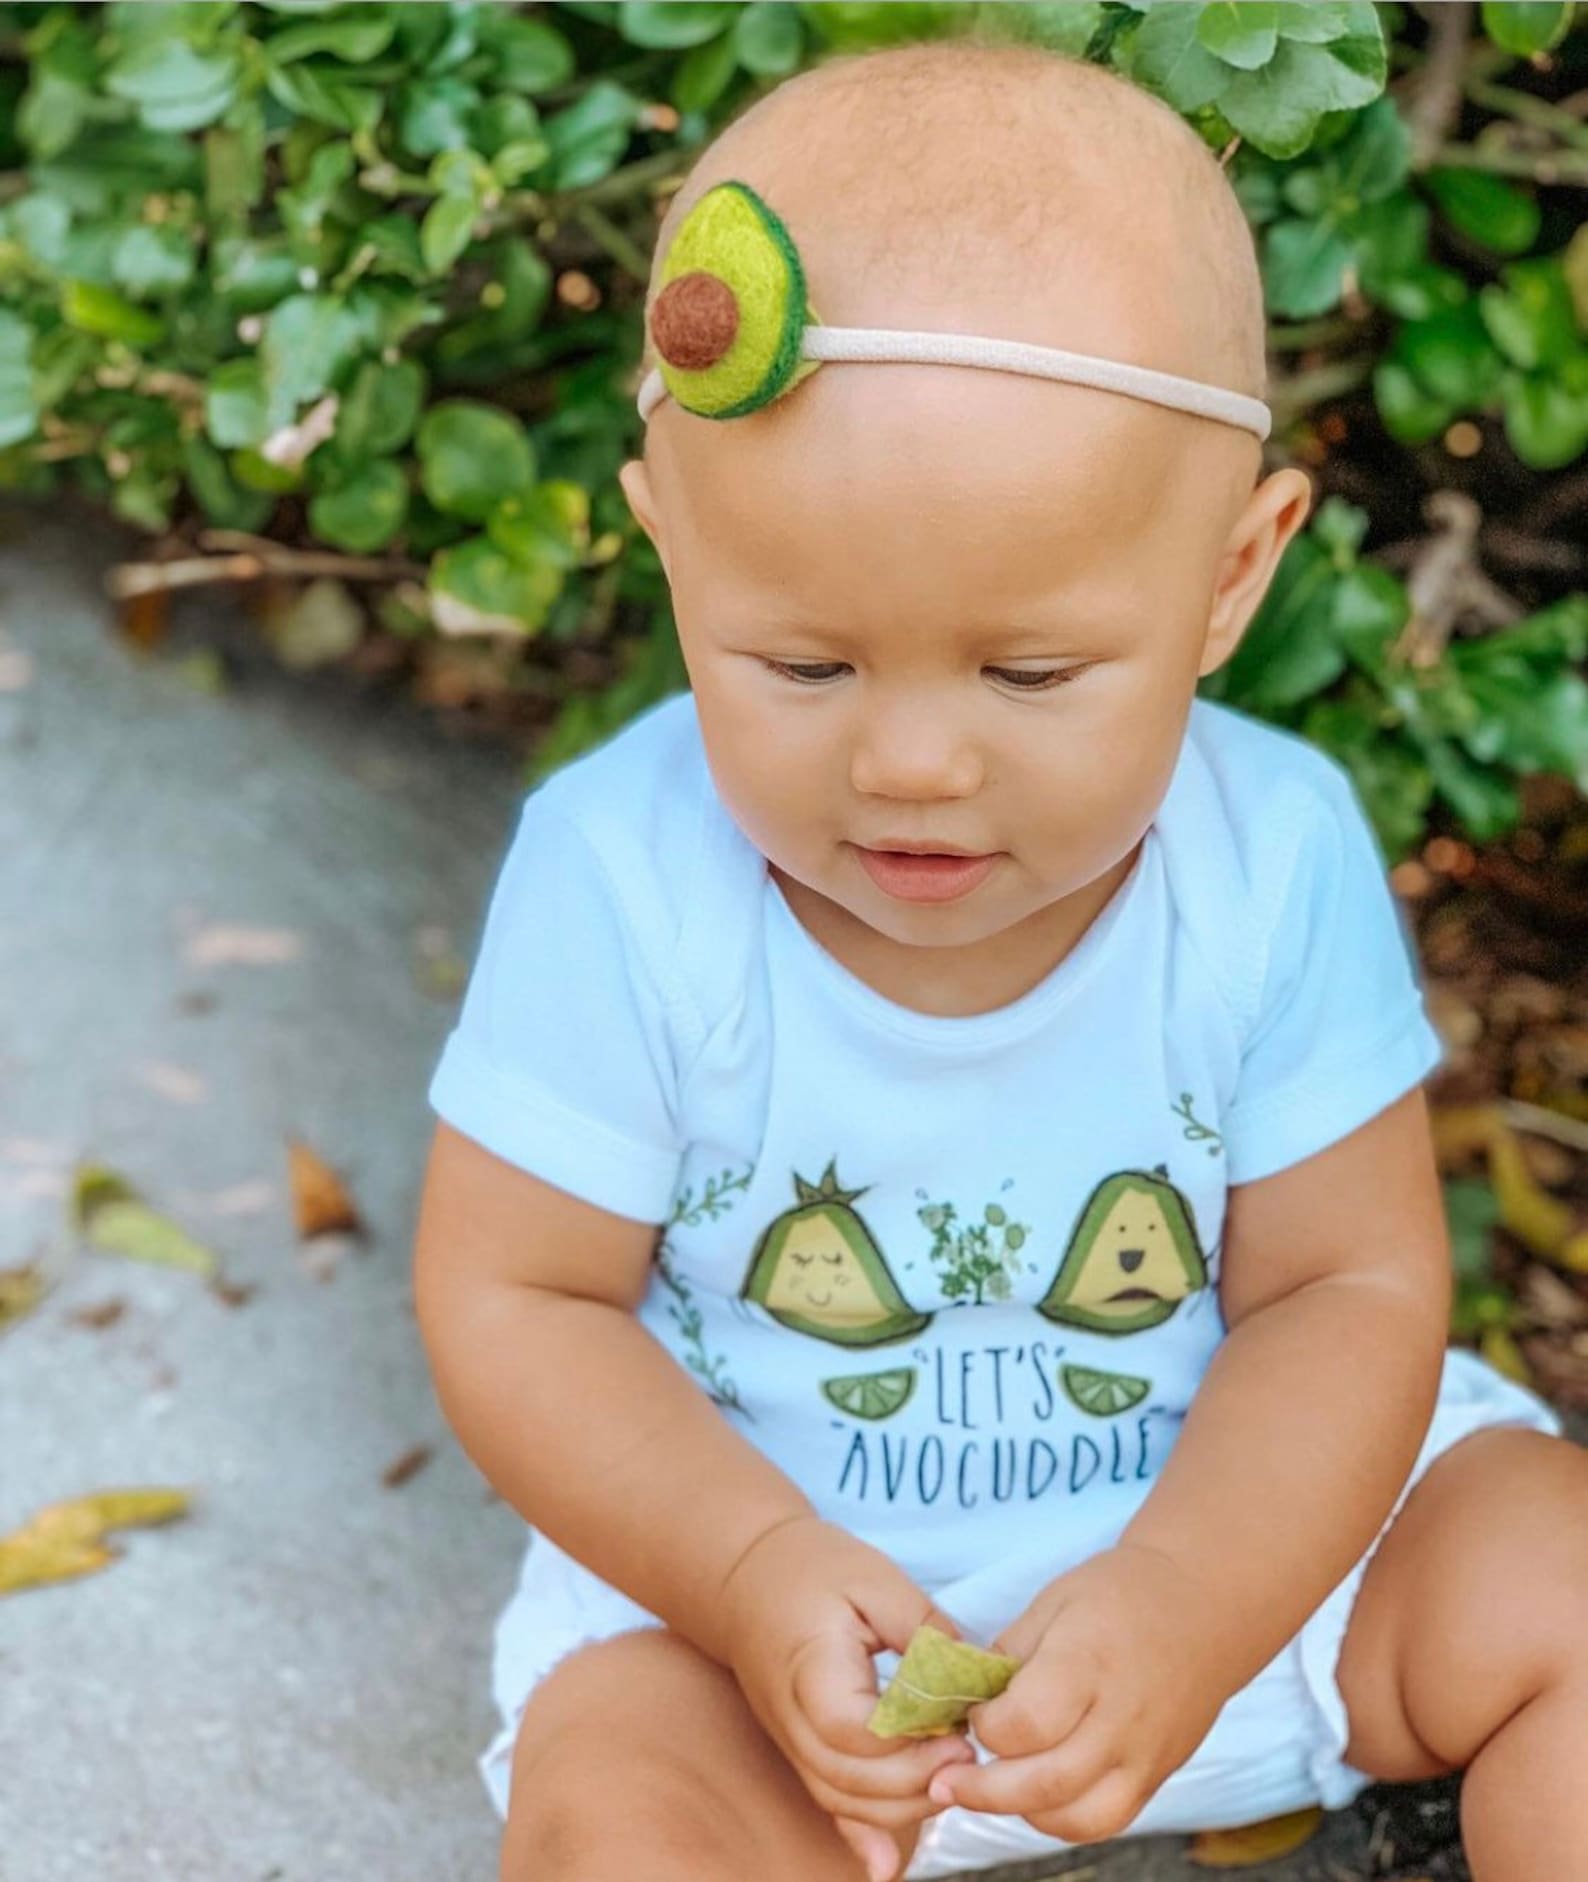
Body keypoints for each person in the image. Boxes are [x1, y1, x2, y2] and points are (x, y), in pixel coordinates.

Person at [412, 38, 1579, 1882]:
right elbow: (517, 1297)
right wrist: (745, 1567)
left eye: (1030, 673)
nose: (911, 763)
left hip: (1265, 1561)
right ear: (671, 549)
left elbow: (1343, 1291)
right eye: (803, 664)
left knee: (1561, 1580)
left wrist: (1193, 1595)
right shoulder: (620, 875)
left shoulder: (1268, 855)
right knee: (618, 1812)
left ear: (1233, 576)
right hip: (771, 1639)